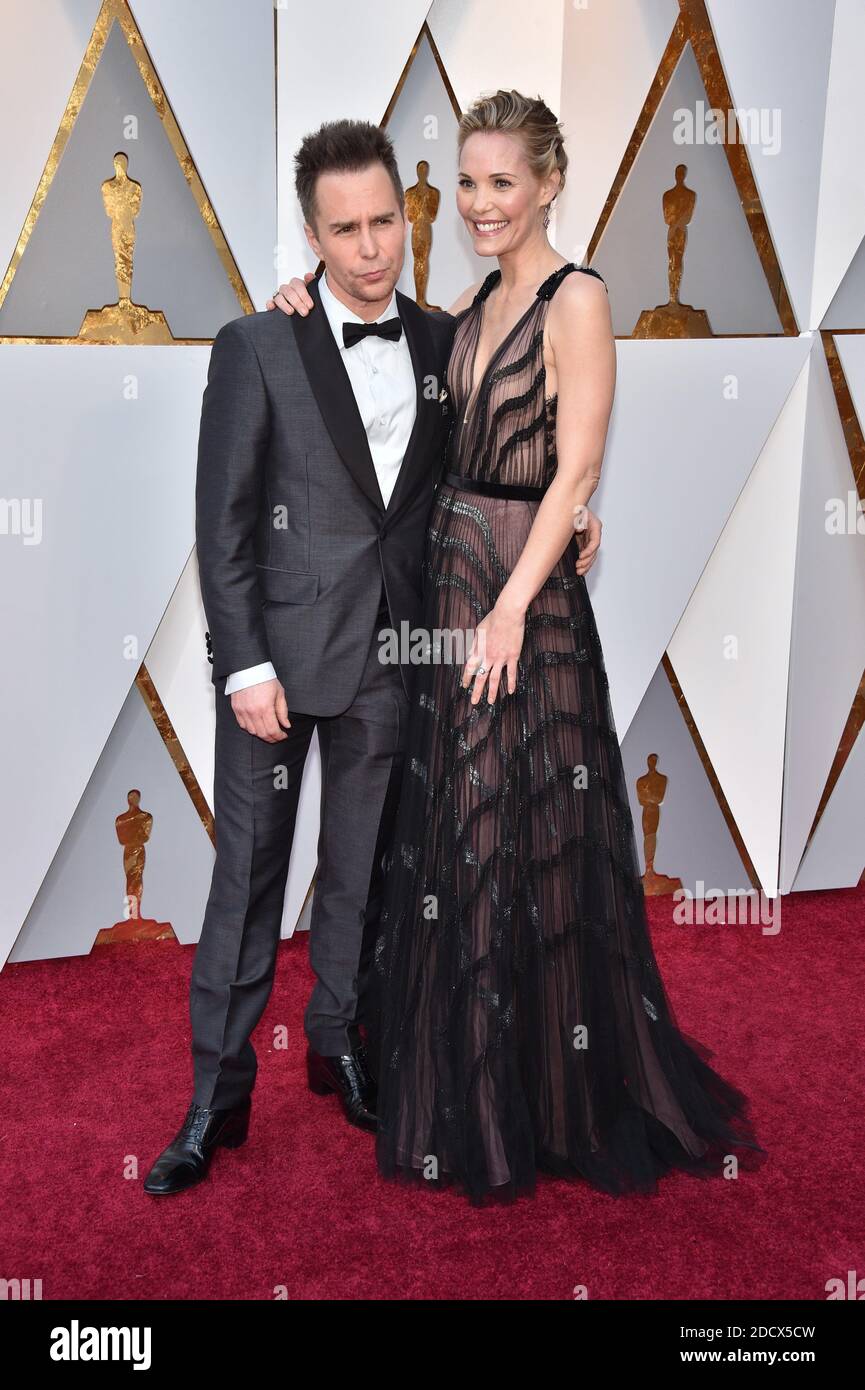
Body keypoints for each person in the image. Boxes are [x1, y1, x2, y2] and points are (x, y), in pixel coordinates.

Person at [270, 90, 766, 1204]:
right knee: (455, 833)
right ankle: (470, 1077)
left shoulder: (575, 298)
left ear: (549, 182)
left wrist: (516, 597)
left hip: (516, 608)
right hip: (449, 588)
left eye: (504, 182)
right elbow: (405, 390)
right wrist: (300, 302)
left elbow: (575, 468)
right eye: (470, 183)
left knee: (520, 831)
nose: (483, 203)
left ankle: (543, 1090)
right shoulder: (467, 301)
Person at [142, 115, 606, 1197]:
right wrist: (242, 665)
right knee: (247, 881)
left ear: (412, 215)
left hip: (399, 654)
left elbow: (509, 461)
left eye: (386, 222)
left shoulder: (450, 340)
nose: (368, 250)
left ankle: (339, 1040)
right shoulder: (258, 341)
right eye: (343, 229)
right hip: (278, 668)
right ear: (311, 233)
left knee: (361, 876)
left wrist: (580, 513)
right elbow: (225, 523)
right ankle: (215, 1097)